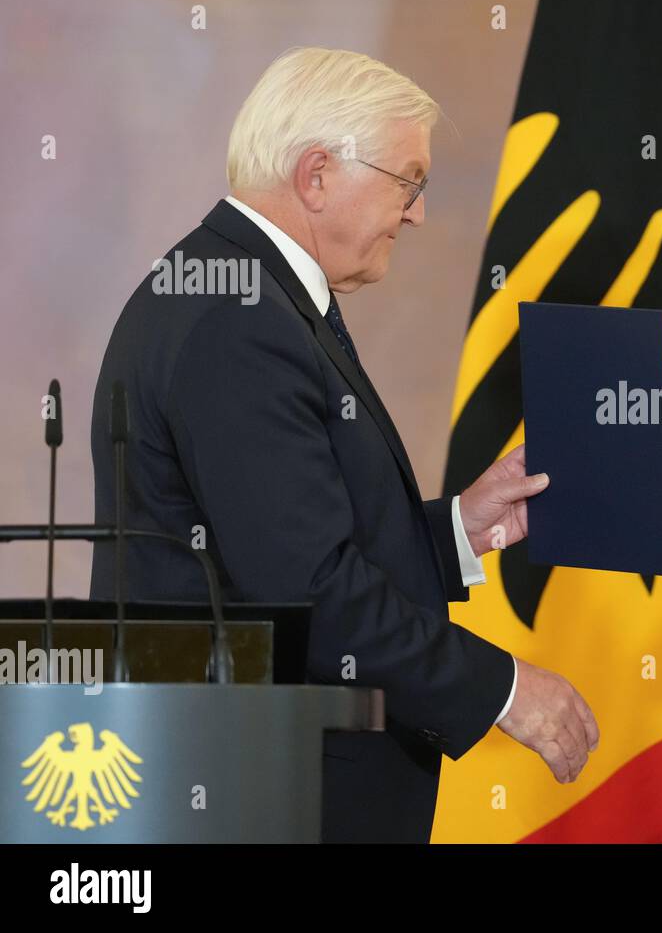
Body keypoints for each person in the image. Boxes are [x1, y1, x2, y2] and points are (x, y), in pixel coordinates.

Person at [89, 47, 598, 842]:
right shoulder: (238, 321)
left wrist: (459, 528)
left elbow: (282, 547)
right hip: (260, 795)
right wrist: (504, 690)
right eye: (408, 180)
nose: (419, 212)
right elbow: (309, 593)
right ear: (317, 173)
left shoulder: (244, 293)